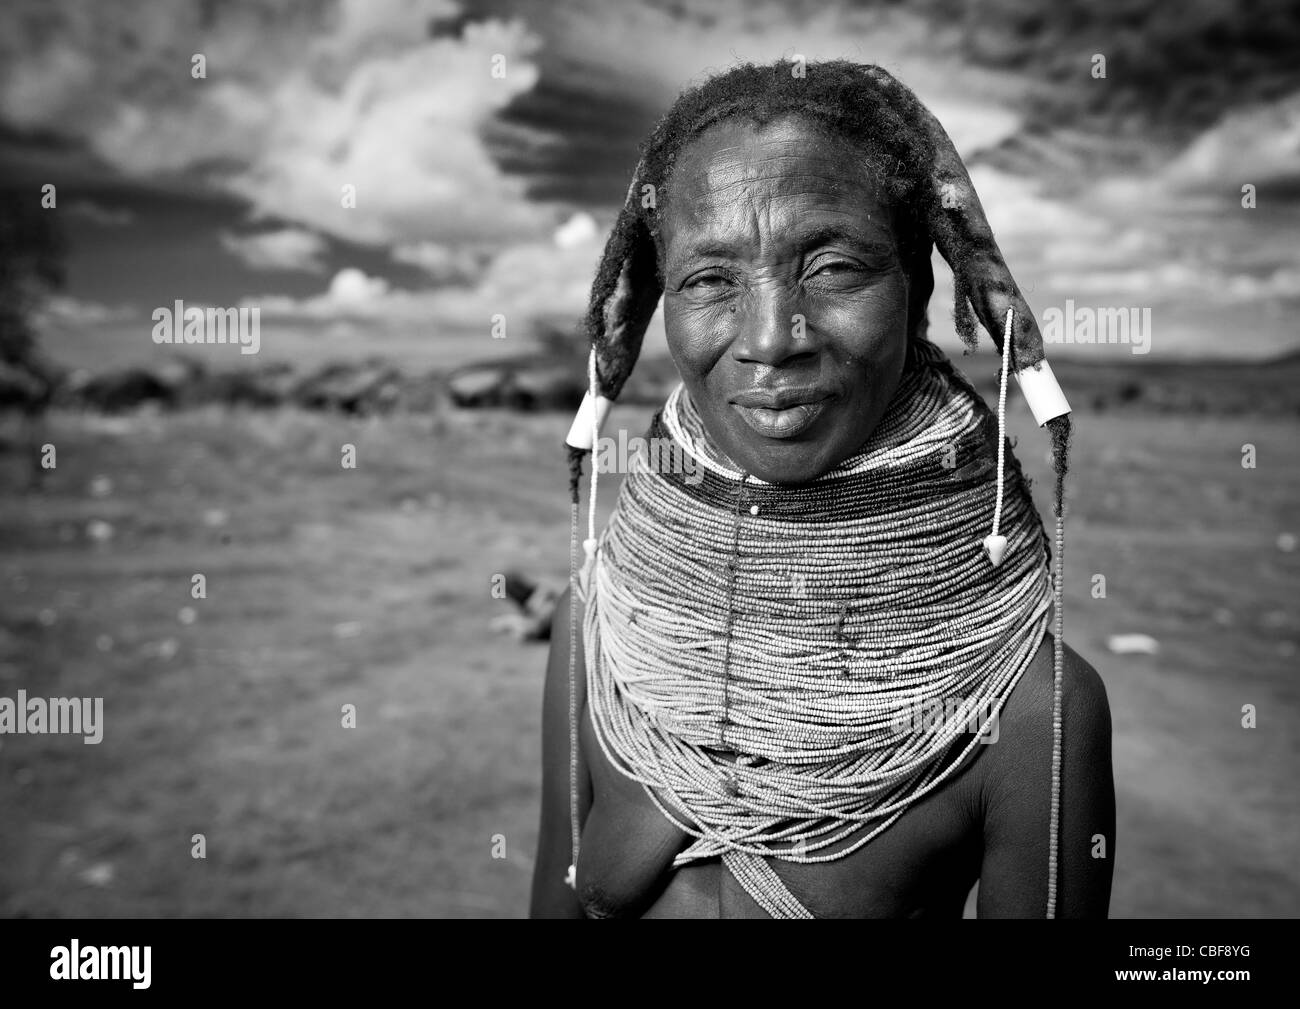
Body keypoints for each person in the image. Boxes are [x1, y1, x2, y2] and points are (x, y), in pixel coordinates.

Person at [530, 60, 1114, 918]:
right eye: (710, 278)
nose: (773, 339)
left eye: (834, 268)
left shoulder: (1032, 713)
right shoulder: (600, 630)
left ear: (916, 291)